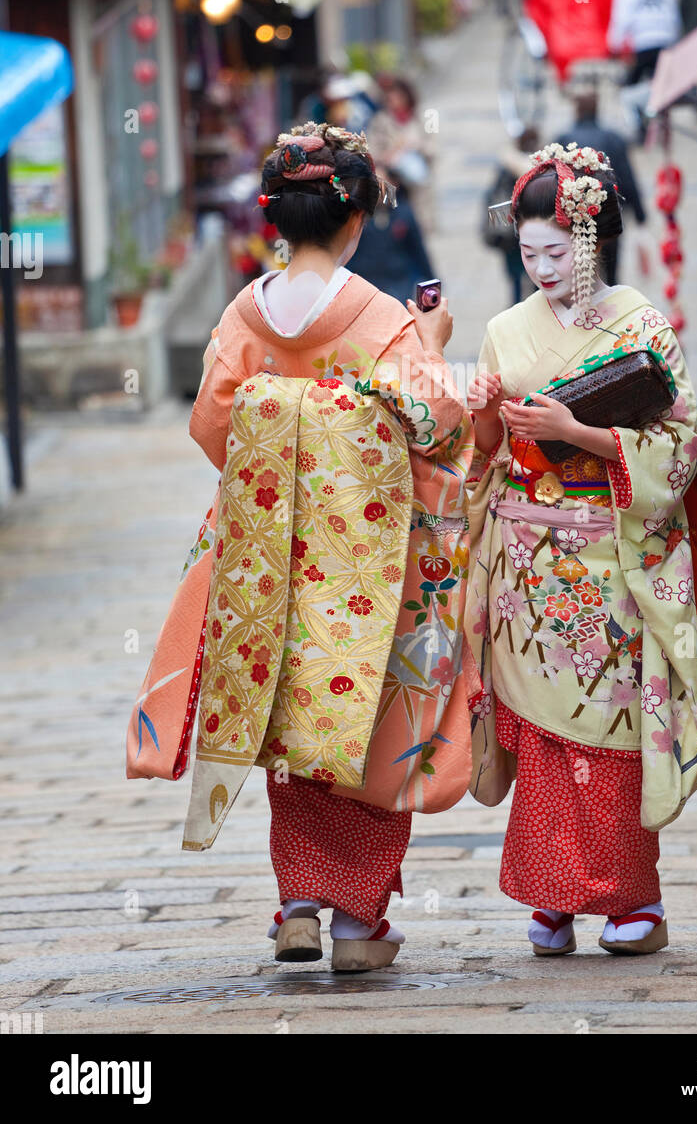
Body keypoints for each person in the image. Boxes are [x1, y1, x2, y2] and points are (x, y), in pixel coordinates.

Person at [138, 122, 477, 973]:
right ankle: (360, 924)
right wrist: (430, 348)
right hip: (368, 563)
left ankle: (297, 903)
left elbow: (214, 426)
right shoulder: (379, 318)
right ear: (356, 217)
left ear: (277, 221)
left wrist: (280, 461)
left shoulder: (243, 314)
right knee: (367, 717)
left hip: (267, 557)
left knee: (286, 718)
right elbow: (440, 424)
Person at [464, 141, 697, 959]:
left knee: (613, 728)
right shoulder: (504, 330)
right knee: (545, 739)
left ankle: (632, 901)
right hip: (525, 559)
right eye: (527, 254)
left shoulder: (641, 325)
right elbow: (483, 453)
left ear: (591, 241)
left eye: (555, 251)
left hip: (615, 559)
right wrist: (486, 410)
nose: (541, 268)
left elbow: (681, 444)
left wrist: (576, 432)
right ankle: (552, 899)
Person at [556, 89, 647, 284]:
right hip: (608, 215)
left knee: (578, 276)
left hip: (575, 218)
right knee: (611, 274)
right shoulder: (613, 139)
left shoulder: (563, 140)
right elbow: (627, 178)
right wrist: (640, 214)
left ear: (577, 111)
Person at [607, 0, 680, 139]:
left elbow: (621, 19)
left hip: (643, 43)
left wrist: (613, 45)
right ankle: (662, 123)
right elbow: (675, 18)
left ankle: (640, 128)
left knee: (629, 90)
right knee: (660, 86)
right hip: (666, 42)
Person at [366, 77, 436, 233]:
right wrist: (390, 155)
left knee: (420, 179)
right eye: (390, 98)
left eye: (398, 97)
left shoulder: (425, 117)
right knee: (383, 184)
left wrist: (415, 146)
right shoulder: (380, 121)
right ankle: (390, 225)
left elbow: (433, 147)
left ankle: (421, 224)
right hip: (390, 168)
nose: (394, 101)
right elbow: (372, 150)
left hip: (417, 167)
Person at [481, 127, 539, 305]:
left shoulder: (505, 166)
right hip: (533, 231)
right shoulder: (538, 168)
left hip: (509, 233)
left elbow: (492, 196)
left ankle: (516, 310)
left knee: (515, 279)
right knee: (537, 278)